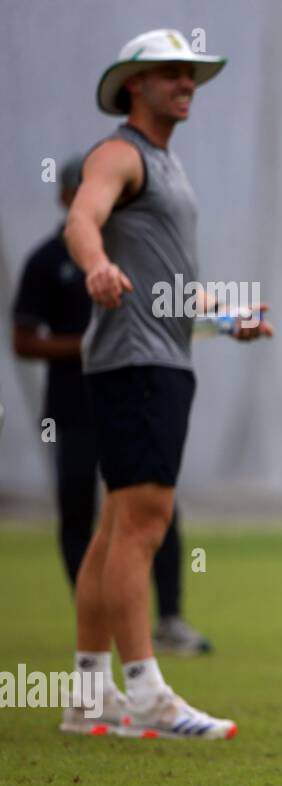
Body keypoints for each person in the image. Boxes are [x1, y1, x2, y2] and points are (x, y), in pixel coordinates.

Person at [61, 28, 273, 738]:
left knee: (115, 529)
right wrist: (94, 264)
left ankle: (90, 695)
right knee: (143, 528)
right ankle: (147, 689)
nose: (186, 85)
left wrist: (229, 317)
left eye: (191, 75)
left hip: (156, 362)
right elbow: (82, 219)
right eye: (171, 74)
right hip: (138, 367)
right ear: (134, 85)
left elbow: (177, 288)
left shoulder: (167, 164)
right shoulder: (119, 153)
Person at [12, 154, 212, 657]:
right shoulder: (48, 260)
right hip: (73, 407)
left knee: (148, 511)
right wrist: (92, 343)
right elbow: (23, 341)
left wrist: (229, 317)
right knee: (82, 511)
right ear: (67, 196)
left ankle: (168, 619)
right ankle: (95, 631)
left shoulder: (137, 256)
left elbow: (184, 304)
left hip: (131, 395)